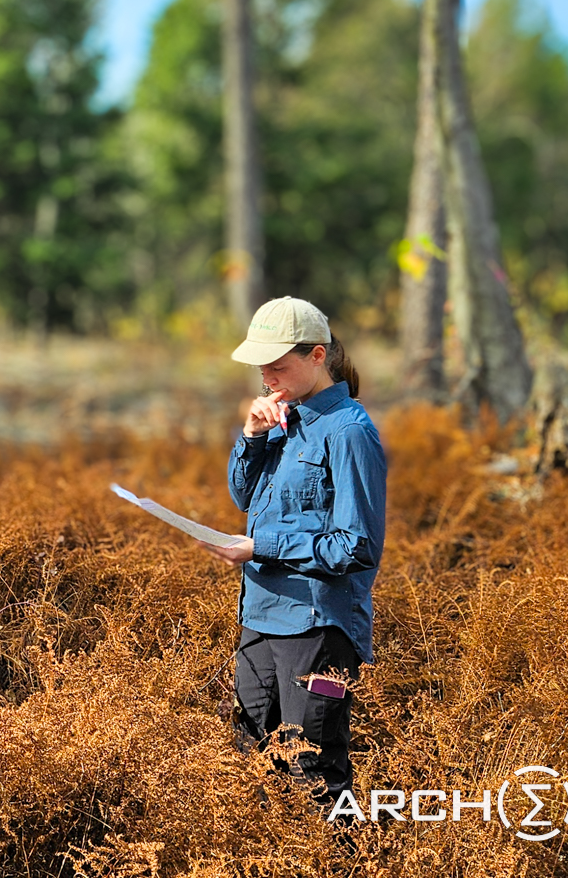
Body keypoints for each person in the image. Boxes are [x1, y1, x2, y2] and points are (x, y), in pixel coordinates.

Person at [197, 295, 387, 808]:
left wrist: (262, 547)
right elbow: (245, 496)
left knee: (314, 765)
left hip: (318, 624)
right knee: (253, 753)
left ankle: (344, 861)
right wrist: (252, 436)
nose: (267, 376)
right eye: (261, 365)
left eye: (279, 365)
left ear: (318, 356)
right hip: (260, 616)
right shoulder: (283, 417)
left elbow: (357, 545)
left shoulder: (349, 431)